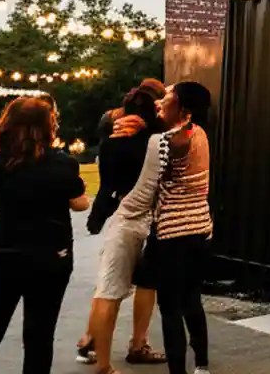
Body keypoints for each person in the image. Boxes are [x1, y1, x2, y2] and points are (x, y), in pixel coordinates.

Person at [0, 96, 90, 374]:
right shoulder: (63, 163)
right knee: (40, 336)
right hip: (51, 255)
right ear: (48, 126)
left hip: (4, 253)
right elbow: (80, 204)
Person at [117, 82, 215, 374]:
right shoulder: (200, 134)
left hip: (171, 234)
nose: (160, 102)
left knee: (170, 308)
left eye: (167, 98)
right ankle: (202, 365)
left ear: (183, 110)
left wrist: (120, 215)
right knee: (192, 300)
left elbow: (145, 192)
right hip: (200, 229)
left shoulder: (162, 142)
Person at [76, 81, 169, 371]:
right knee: (146, 284)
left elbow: (107, 184)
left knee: (108, 286)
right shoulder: (160, 140)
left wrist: (98, 215)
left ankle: (92, 342)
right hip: (152, 219)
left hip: (120, 216)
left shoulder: (112, 140)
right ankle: (137, 344)